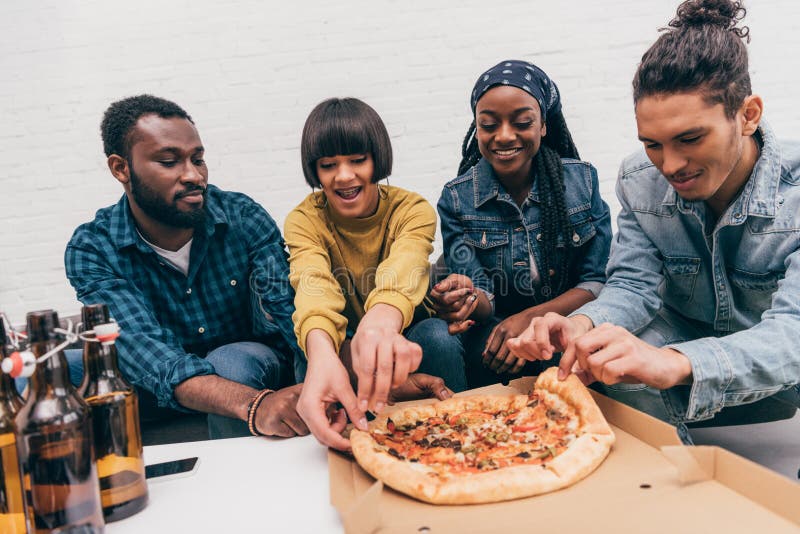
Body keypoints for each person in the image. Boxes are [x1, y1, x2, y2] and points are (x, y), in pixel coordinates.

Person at [508, 0, 800, 431]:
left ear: (747, 115)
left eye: (690, 138)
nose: (671, 165)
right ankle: (670, 482)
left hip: (779, 380)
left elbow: (793, 333)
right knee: (609, 349)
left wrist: (675, 361)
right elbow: (633, 284)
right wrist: (579, 325)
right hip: (688, 375)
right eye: (653, 143)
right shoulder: (638, 179)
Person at [65, 95, 307, 439]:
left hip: (246, 365)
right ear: (121, 168)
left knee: (229, 362)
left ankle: (244, 483)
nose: (194, 175)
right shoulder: (93, 248)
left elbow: (291, 312)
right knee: (39, 377)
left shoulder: (241, 217)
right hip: (149, 377)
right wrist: (255, 405)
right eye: (169, 161)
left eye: (198, 159)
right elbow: (143, 350)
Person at [286, 97, 466, 450]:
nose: (344, 176)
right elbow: (313, 287)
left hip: (401, 333)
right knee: (310, 350)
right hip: (345, 339)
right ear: (315, 170)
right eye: (328, 164)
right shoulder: (304, 220)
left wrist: (379, 325)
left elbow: (403, 270)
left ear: (377, 159)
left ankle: (460, 436)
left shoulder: (412, 209)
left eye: (357, 160)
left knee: (436, 335)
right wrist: (323, 351)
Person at [431, 60, 612, 388]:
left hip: (565, 324)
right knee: (432, 337)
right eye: (488, 125)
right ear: (476, 127)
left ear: (543, 124)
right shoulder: (456, 199)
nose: (503, 136)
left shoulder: (582, 182)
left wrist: (531, 319)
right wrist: (466, 297)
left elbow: (596, 283)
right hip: (497, 330)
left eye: (522, 122)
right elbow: (483, 293)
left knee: (574, 345)